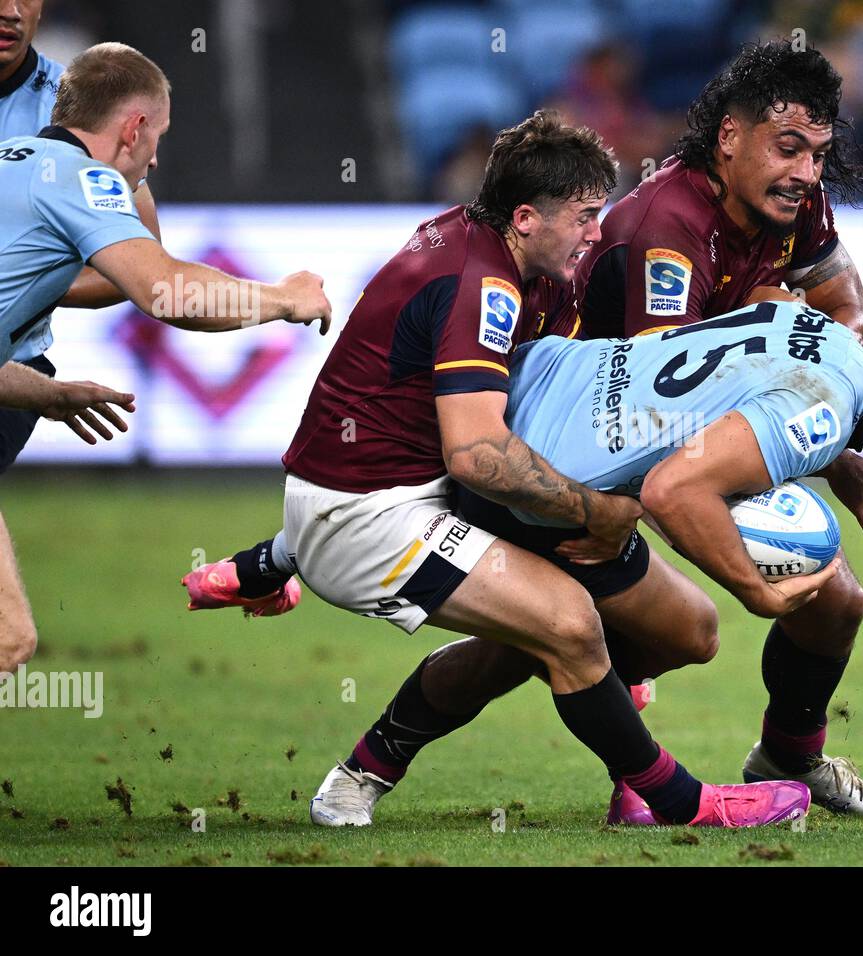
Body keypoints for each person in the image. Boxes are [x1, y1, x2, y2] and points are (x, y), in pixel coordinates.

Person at [191, 39, 863, 821]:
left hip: (552, 457)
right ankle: (670, 797)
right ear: (731, 138)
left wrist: (833, 435)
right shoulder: (655, 234)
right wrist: (614, 510)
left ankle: (779, 759)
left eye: (819, 154)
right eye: (790, 149)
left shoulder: (768, 205)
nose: (808, 172)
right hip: (575, 461)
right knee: (624, 630)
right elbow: (659, 414)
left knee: (592, 632)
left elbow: (841, 320)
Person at [274, 111, 813, 829]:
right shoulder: (482, 282)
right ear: (525, 217)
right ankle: (676, 800)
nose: (600, 231)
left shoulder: (538, 272)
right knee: (565, 623)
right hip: (369, 516)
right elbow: (477, 452)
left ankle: (370, 763)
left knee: (688, 631)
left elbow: (556, 418)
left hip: (439, 491)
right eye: (587, 215)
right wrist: (596, 511)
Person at [0, 41, 331, 678]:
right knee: (8, 640)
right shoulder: (83, 178)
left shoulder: (14, 163)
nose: (155, 154)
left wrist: (46, 394)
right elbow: (165, 289)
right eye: (159, 135)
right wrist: (283, 299)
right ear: (134, 128)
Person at [0, 0, 164, 472]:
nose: (11, 10)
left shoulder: (73, 104)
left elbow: (142, 260)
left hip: (16, 368)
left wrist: (32, 285)